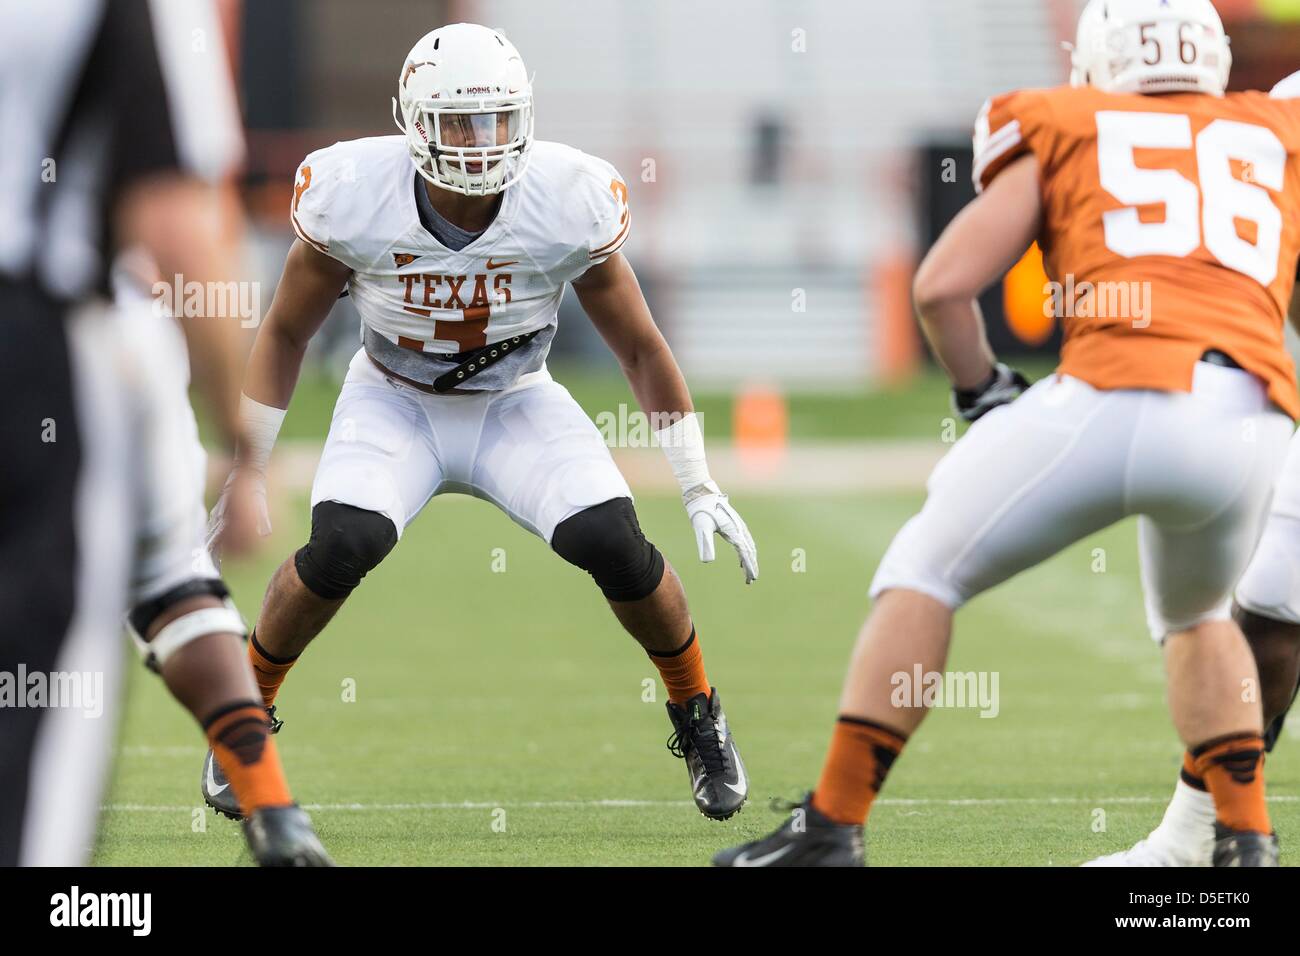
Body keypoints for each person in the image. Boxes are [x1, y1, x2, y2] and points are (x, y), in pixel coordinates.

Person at [715, 0, 1299, 867]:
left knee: (923, 570)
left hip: (1110, 389)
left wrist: (981, 389)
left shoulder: (1063, 117)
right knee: (1201, 617)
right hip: (1248, 418)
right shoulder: (1273, 128)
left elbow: (943, 287)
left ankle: (833, 824)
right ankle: (1244, 843)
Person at [202, 22, 758, 824]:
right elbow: (285, 330)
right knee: (341, 546)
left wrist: (698, 482)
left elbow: (639, 345)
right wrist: (249, 462)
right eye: (459, 121)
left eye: (495, 119)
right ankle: (241, 720)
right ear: (414, 121)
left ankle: (698, 710)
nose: (479, 141)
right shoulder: (356, 192)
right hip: (392, 397)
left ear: (524, 116)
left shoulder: (564, 199)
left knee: (615, 545)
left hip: (515, 401)